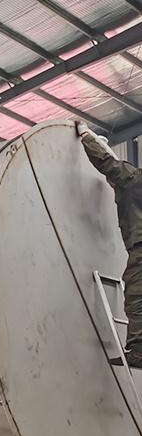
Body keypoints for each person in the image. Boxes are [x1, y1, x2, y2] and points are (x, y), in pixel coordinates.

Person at [77, 120, 142, 368]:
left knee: (135, 295)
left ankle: (139, 350)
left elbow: (109, 165)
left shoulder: (134, 180)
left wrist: (86, 137)